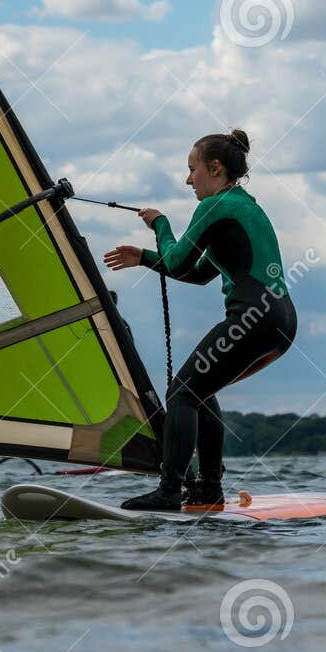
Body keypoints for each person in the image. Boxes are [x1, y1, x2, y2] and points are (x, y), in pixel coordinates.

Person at [103, 129, 297, 510]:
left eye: (192, 169)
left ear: (216, 168)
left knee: (182, 393)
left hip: (254, 317)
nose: (188, 179)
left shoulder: (215, 206)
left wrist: (160, 224)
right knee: (200, 392)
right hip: (281, 321)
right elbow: (198, 273)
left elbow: (177, 261)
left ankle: (169, 490)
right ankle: (208, 490)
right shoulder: (242, 206)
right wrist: (143, 257)